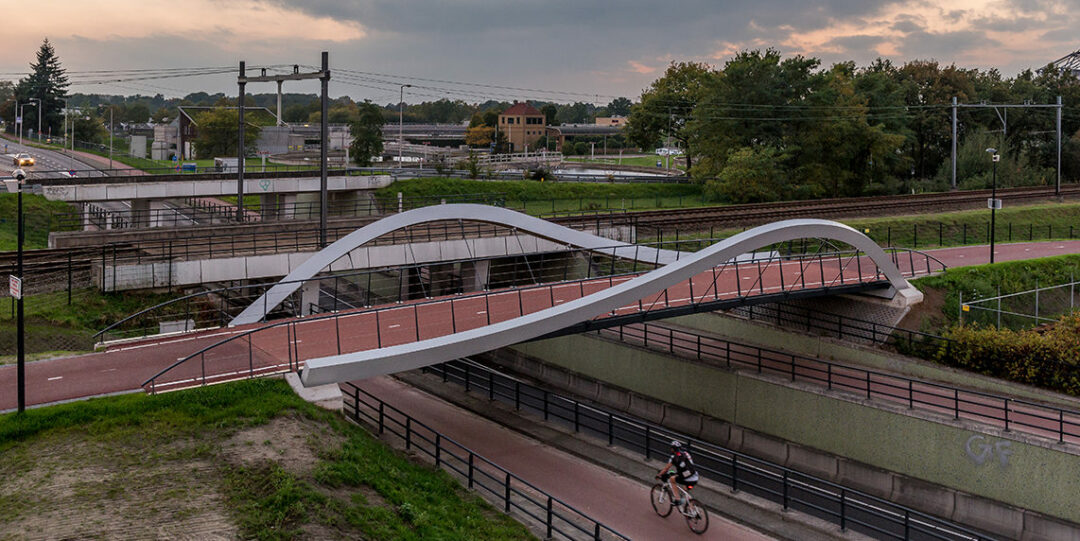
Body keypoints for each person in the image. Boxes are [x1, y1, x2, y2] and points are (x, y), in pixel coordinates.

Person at [657, 440, 699, 509]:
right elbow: (690, 465)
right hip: (695, 476)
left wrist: (659, 475)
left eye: (671, 448)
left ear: (673, 449)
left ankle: (677, 499)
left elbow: (666, 469)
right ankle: (693, 510)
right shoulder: (686, 453)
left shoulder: (673, 458)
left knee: (672, 479)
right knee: (685, 490)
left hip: (686, 477)